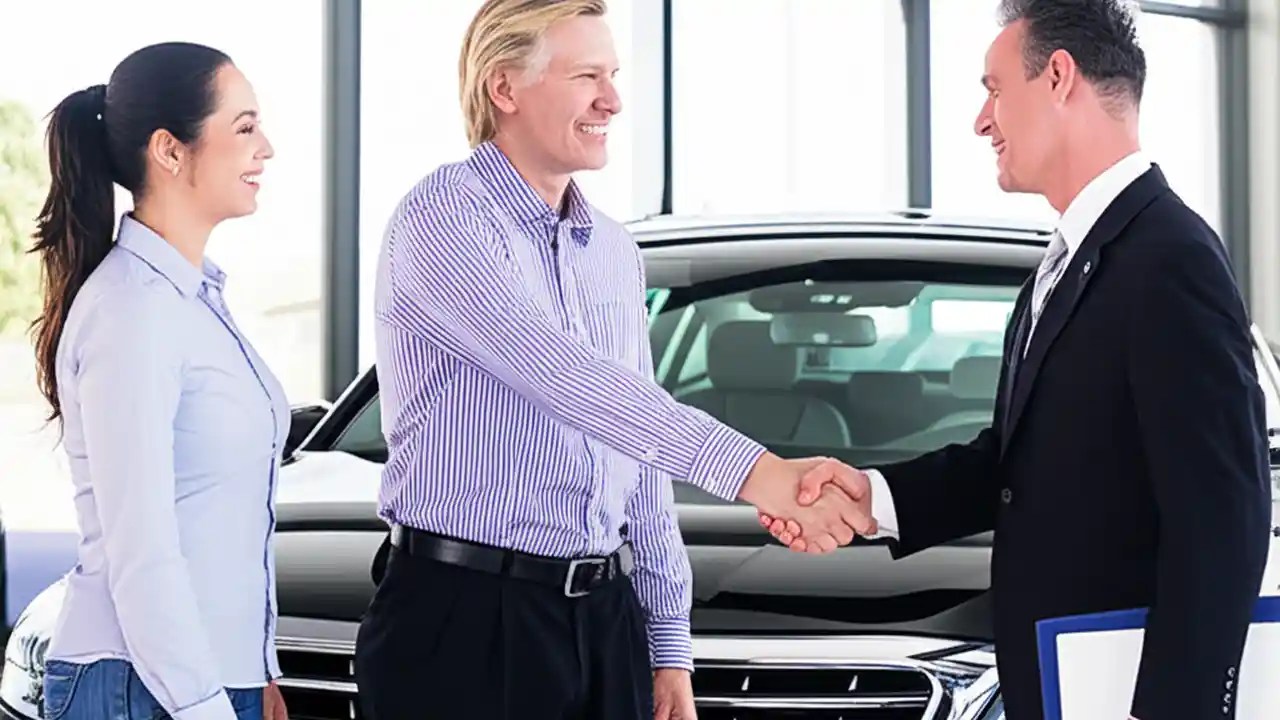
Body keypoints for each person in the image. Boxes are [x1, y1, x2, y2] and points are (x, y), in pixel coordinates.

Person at [353, 1, 872, 718]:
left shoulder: (614, 251)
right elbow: (565, 378)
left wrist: (667, 643)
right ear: (504, 89)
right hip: (466, 620)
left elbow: (638, 453)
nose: (613, 99)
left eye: (614, 74)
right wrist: (760, 474)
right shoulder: (443, 219)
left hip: (603, 619)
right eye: (587, 75)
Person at [761, 1, 1271, 719]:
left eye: (994, 88)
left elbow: (1224, 518)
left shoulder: (1171, 260)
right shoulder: (1060, 269)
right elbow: (1018, 465)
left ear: (1059, 77)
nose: (981, 119)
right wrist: (872, 498)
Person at [29, 42, 289, 720]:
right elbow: (141, 548)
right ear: (170, 151)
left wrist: (257, 674)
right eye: (244, 126)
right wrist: (205, 705)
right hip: (143, 688)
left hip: (194, 680)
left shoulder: (190, 299)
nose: (267, 148)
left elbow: (219, 523)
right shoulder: (133, 311)